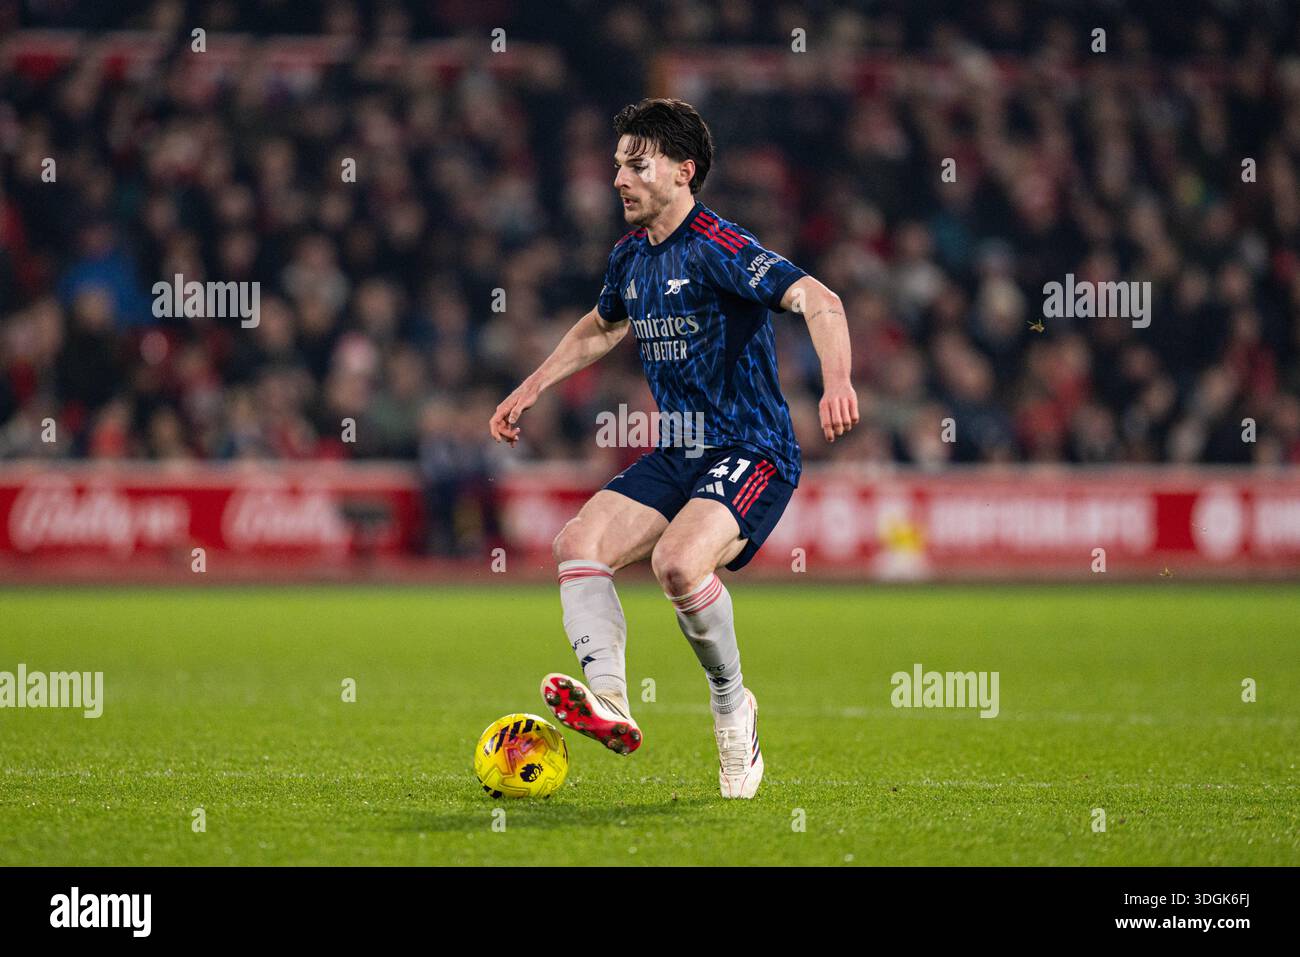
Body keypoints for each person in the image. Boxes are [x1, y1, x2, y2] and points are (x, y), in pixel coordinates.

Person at [489, 98, 858, 798]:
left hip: (754, 448)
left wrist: (836, 380)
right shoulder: (630, 256)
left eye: (636, 164)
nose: (619, 179)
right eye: (616, 166)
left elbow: (821, 299)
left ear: (683, 171)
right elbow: (602, 327)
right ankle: (612, 702)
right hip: (681, 449)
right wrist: (533, 384)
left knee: (678, 563)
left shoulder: (719, 247)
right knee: (578, 542)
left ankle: (732, 705)